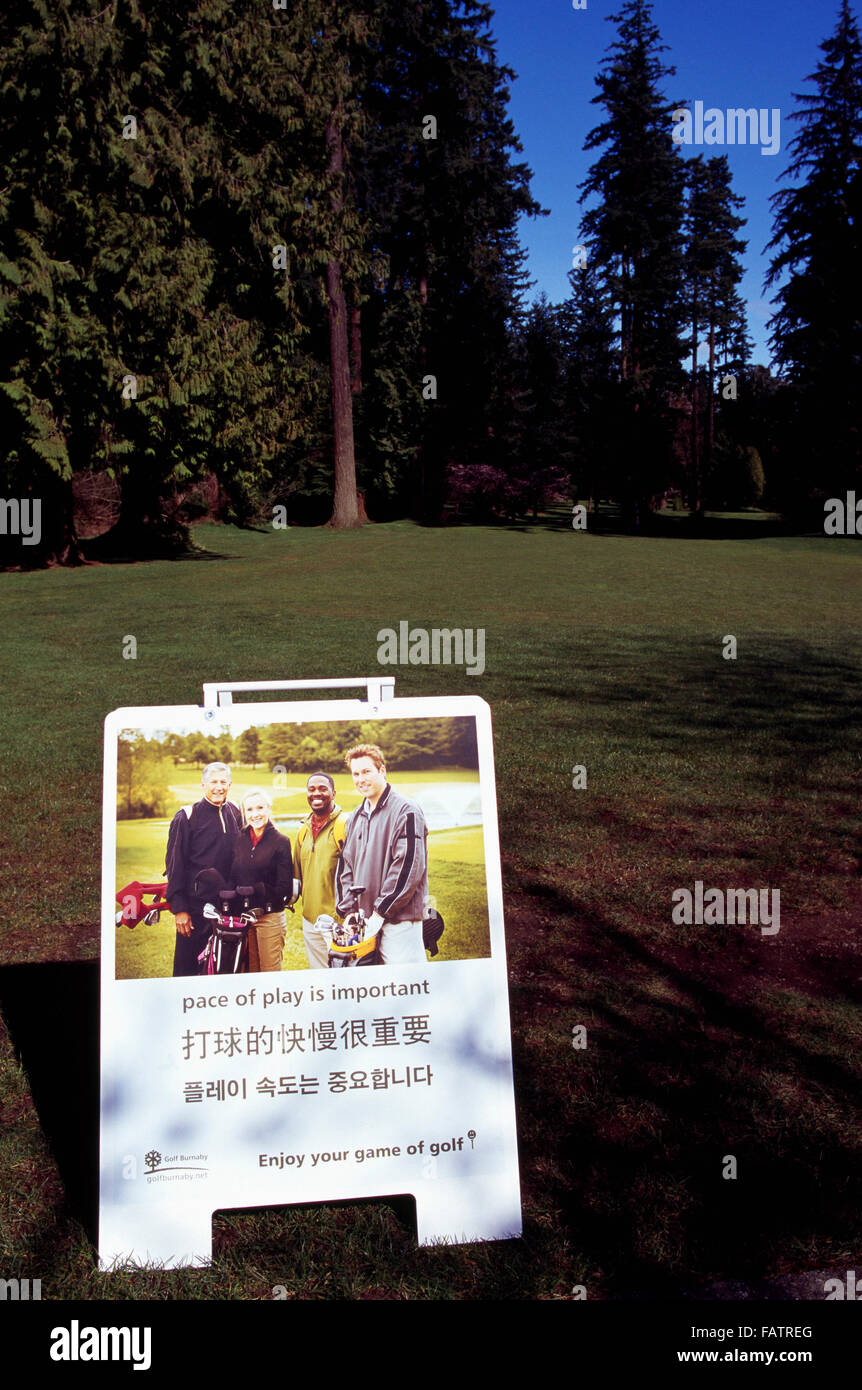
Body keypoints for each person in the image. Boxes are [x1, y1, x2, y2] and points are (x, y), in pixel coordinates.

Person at [336, 744, 429, 965]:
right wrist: (349, 911)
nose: (361, 779)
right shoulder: (355, 817)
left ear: (382, 770)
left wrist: (380, 913)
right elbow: (346, 867)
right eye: (355, 774)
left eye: (367, 771)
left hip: (399, 922)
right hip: (364, 923)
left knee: (405, 988)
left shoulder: (407, 810)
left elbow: (408, 869)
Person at [165, 762, 242, 977]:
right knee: (187, 970)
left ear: (230, 784)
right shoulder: (187, 817)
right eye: (213, 782)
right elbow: (175, 865)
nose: (219, 787)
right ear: (203, 785)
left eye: (223, 782)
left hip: (228, 907)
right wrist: (180, 909)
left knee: (223, 967)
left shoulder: (234, 812)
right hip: (195, 908)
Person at [229, 788, 294, 974]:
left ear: (269, 809)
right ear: (244, 813)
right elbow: (233, 877)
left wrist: (256, 891)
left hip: (269, 917)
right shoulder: (239, 839)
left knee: (269, 974)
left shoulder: (281, 841)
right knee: (249, 972)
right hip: (244, 918)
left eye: (260, 808)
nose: (255, 814)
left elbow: (284, 889)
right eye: (249, 810)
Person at [292, 772, 348, 969]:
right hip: (310, 922)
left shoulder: (346, 826)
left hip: (339, 922)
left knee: (345, 979)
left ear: (333, 793)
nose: (317, 793)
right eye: (312, 789)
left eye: (323, 789)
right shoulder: (303, 830)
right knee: (320, 979)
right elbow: (296, 877)